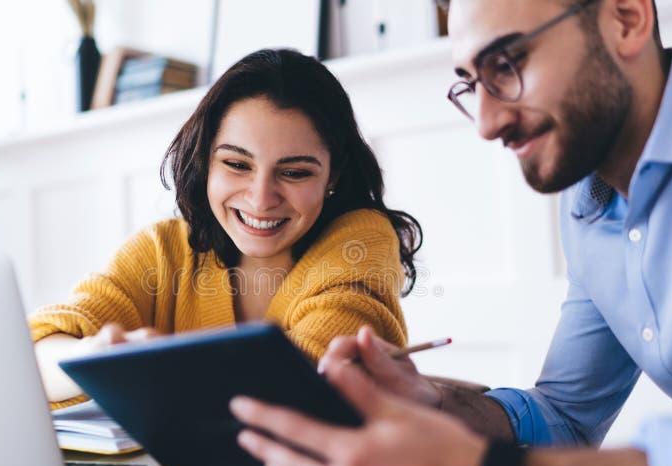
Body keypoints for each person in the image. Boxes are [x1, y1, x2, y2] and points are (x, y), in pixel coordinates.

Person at [231, 0, 672, 466]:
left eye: (508, 64)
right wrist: (435, 402)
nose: (487, 123)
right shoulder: (589, 205)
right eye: (472, 83)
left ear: (626, 19)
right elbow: (569, 416)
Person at [29, 48, 422, 408]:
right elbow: (33, 357)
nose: (261, 198)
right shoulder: (162, 251)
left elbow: (308, 380)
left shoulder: (361, 238)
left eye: (295, 172)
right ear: (206, 162)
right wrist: (94, 356)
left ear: (332, 175)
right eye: (237, 164)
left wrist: (142, 374)